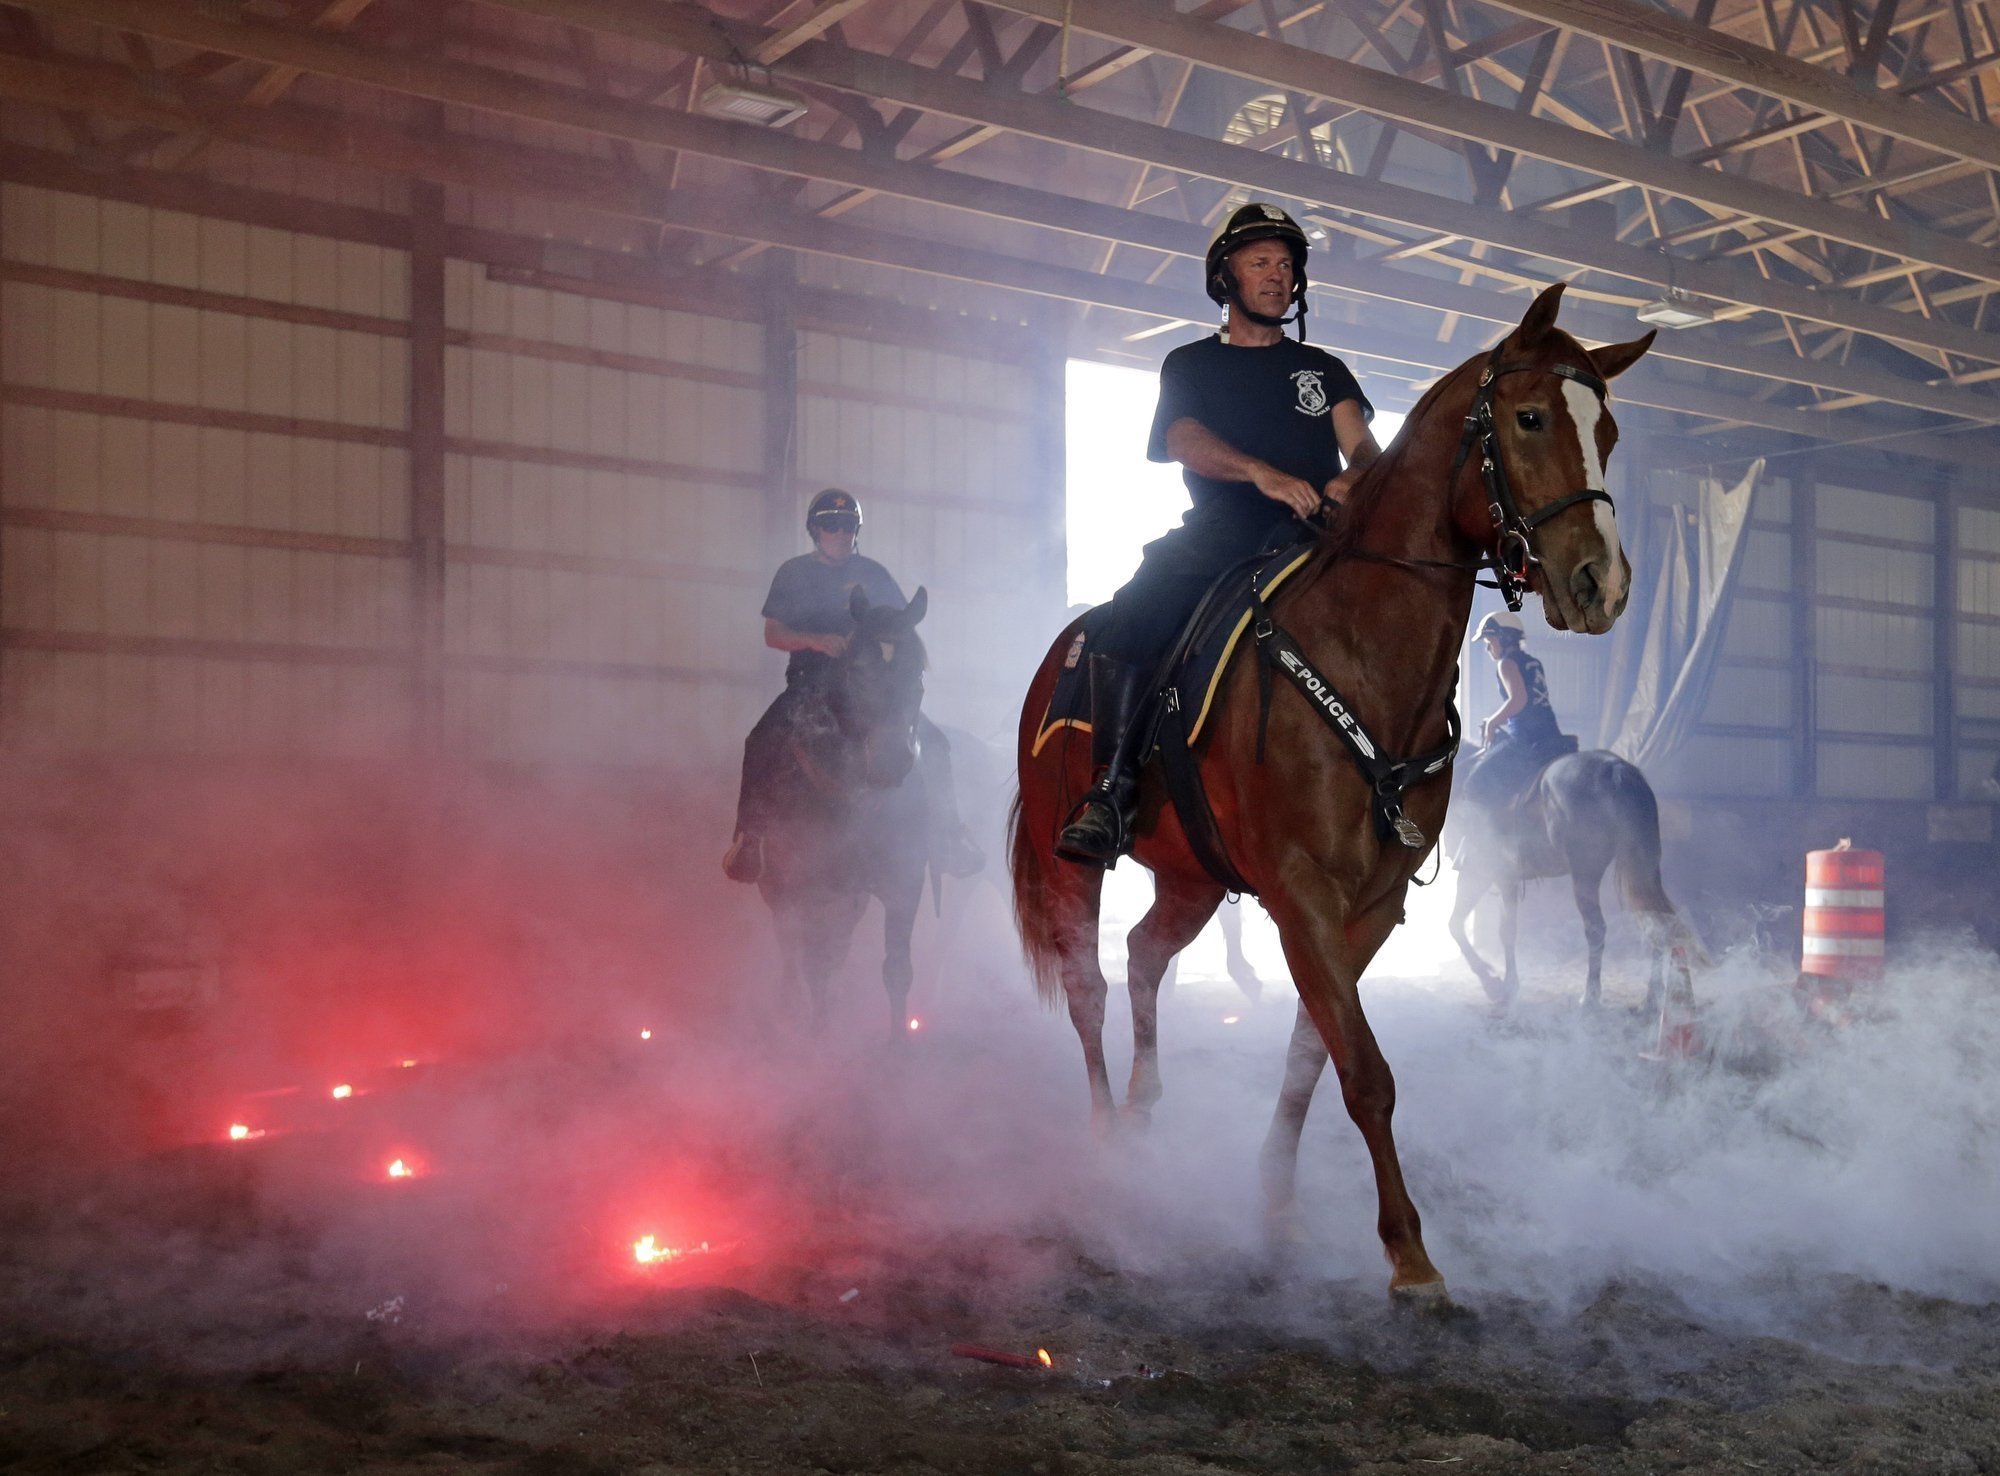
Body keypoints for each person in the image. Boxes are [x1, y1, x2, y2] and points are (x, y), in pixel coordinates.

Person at [1055, 202, 1383, 866]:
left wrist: (1356, 481)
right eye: (1260, 262)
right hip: (1221, 532)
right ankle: (1111, 790)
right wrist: (1259, 473)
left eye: (1286, 265)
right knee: (1136, 611)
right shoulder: (1191, 364)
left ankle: (1393, 786)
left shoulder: (1323, 370)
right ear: (1226, 278)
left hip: (1315, 535)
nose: (1277, 276)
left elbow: (1364, 450)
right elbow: (1183, 438)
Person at [723, 488, 983, 883]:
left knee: (935, 742)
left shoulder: (874, 574)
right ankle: (750, 840)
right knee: (760, 740)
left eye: (847, 526)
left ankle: (951, 837)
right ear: (815, 530)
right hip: (809, 682)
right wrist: (815, 640)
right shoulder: (794, 573)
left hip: (872, 687)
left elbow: (899, 625)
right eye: (832, 525)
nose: (841, 533)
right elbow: (772, 634)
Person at [1458, 611, 1573, 814]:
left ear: (1503, 637)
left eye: (1489, 640)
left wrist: (1493, 723)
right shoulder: (1531, 662)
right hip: (1551, 735)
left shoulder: (1506, 664)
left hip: (1526, 740)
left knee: (1474, 784)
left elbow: (1519, 700)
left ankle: (1499, 834)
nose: (1487, 647)